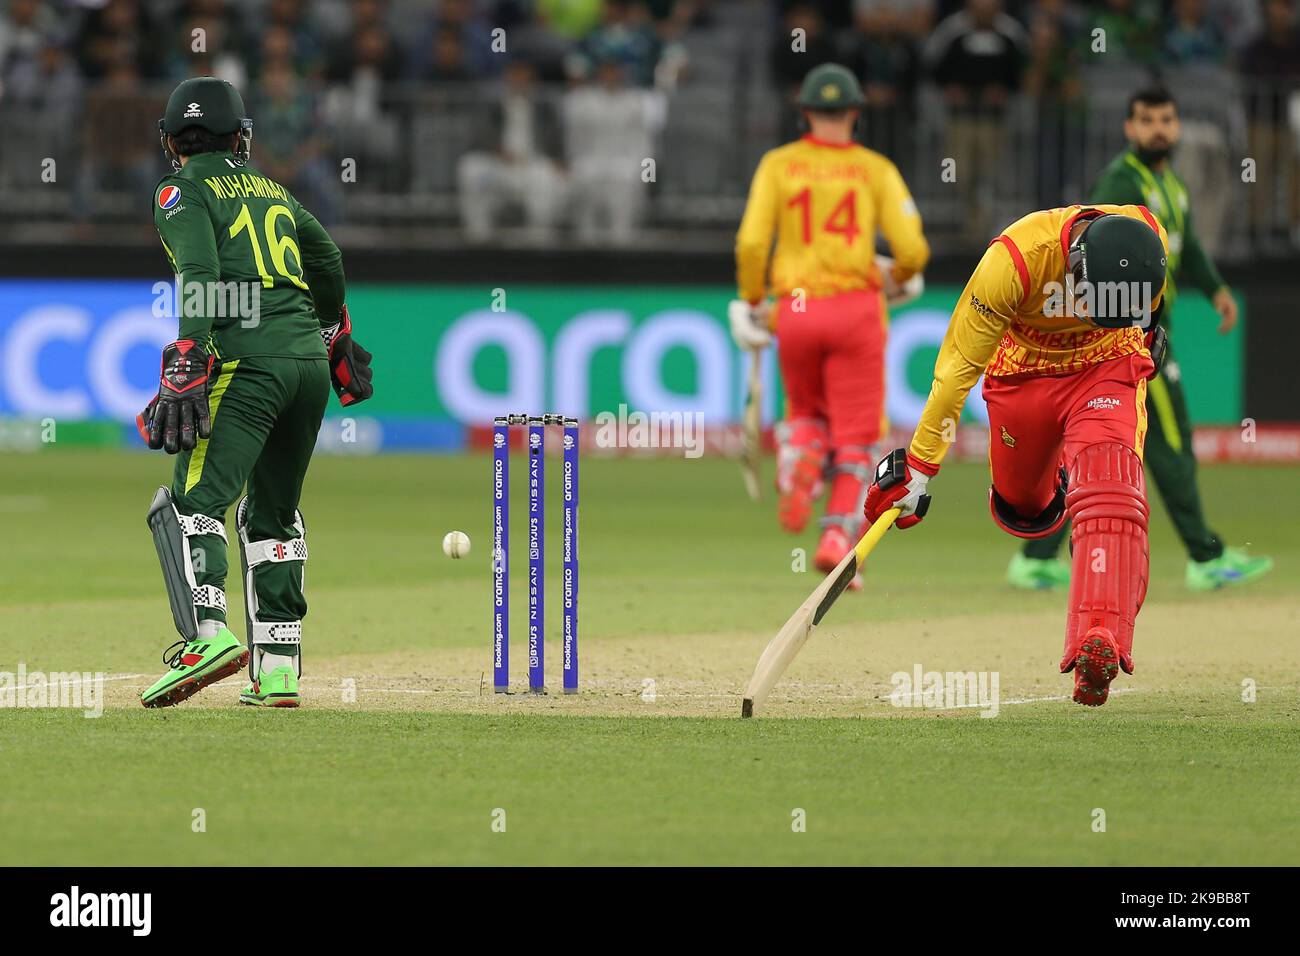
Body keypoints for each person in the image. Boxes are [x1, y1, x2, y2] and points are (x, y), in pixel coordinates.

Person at [864, 203, 1170, 705]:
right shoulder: (1014, 261)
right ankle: (1069, 484)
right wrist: (920, 466)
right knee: (1025, 504)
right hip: (1022, 374)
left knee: (1113, 492)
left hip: (1105, 368)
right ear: (1073, 262)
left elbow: (1153, 312)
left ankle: (1101, 637)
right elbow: (959, 367)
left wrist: (1154, 334)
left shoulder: (1147, 242)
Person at [138, 77, 373, 709]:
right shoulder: (273, 189)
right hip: (306, 366)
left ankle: (208, 637)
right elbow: (327, 261)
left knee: (194, 497)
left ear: (170, 142)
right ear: (241, 136)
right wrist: (334, 334)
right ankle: (278, 671)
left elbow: (200, 271)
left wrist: (187, 356)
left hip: (247, 363)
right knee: (272, 513)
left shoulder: (179, 189)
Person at [1010, 87, 1272, 592]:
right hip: (1133, 334)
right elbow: (1100, 256)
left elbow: (1185, 245)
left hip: (1146, 330)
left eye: (1166, 119)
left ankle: (1035, 554)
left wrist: (1216, 289)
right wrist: (1127, 328)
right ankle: (1205, 558)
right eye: (1147, 120)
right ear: (1129, 129)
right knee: (1168, 444)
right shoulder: (1121, 180)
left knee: (1109, 445)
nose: (1158, 128)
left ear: (1176, 127)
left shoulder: (1171, 184)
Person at [731, 63, 929, 585]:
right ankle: (838, 536)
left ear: (805, 114)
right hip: (854, 309)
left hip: (794, 309)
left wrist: (754, 299)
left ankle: (800, 461)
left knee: (808, 413)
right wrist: (898, 276)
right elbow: (911, 249)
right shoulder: (874, 169)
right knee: (859, 438)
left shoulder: (779, 164)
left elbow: (752, 242)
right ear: (856, 113)